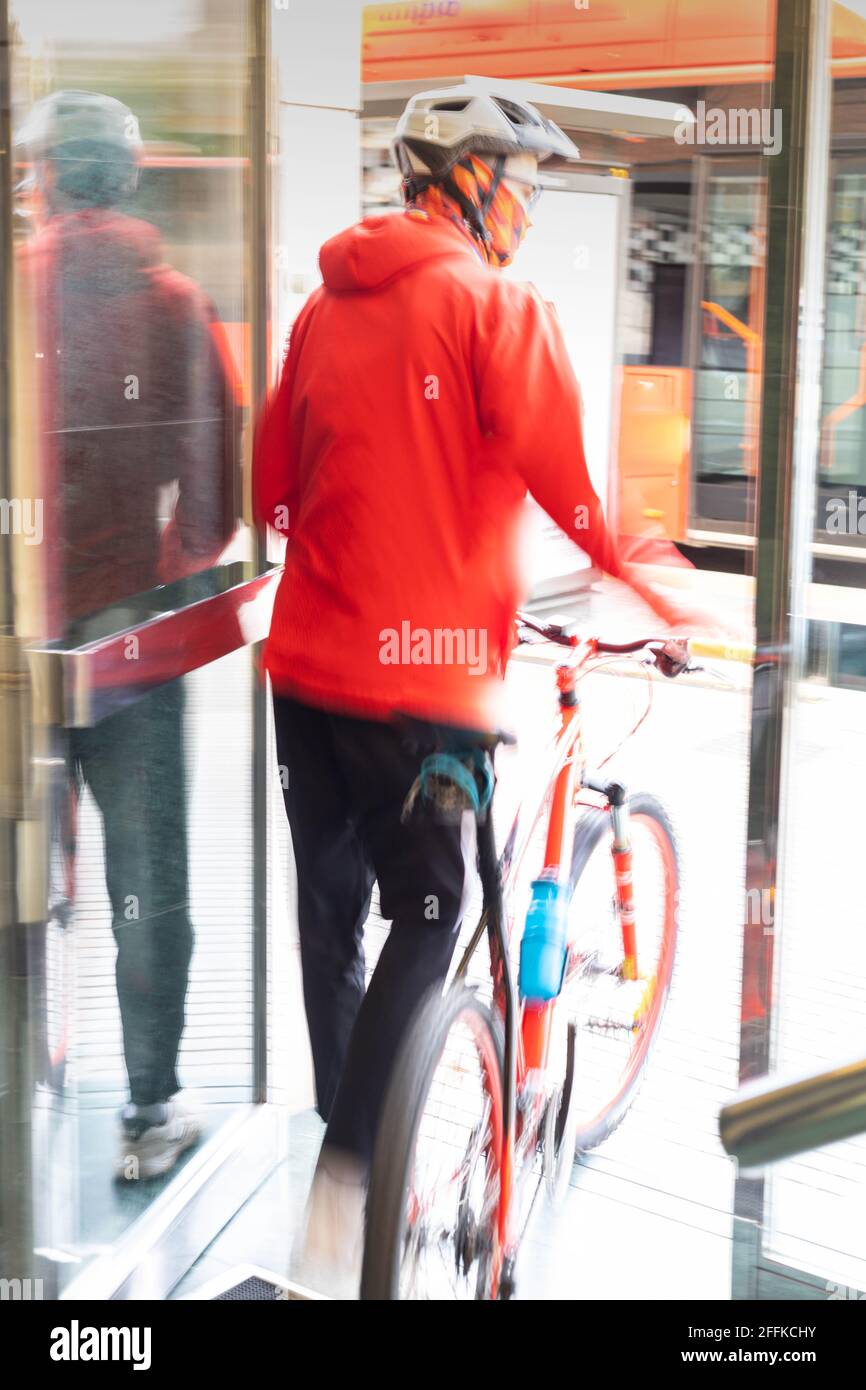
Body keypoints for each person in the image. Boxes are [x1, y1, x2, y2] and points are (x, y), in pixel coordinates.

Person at [254, 85, 713, 1293]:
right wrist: (670, 602)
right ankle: (356, 1169)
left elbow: (270, 491)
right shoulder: (497, 306)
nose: (523, 203)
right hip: (427, 695)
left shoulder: (317, 309)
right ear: (461, 178)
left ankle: (356, 1164)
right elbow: (576, 495)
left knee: (331, 918)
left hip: (307, 682)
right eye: (515, 178)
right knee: (430, 913)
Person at [15, 90, 239, 1178]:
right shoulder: (174, 302)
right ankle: (150, 1112)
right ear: (131, 176)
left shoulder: (15, 291)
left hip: (17, 640)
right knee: (148, 879)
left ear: (45, 177)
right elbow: (215, 490)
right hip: (124, 642)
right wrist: (166, 562)